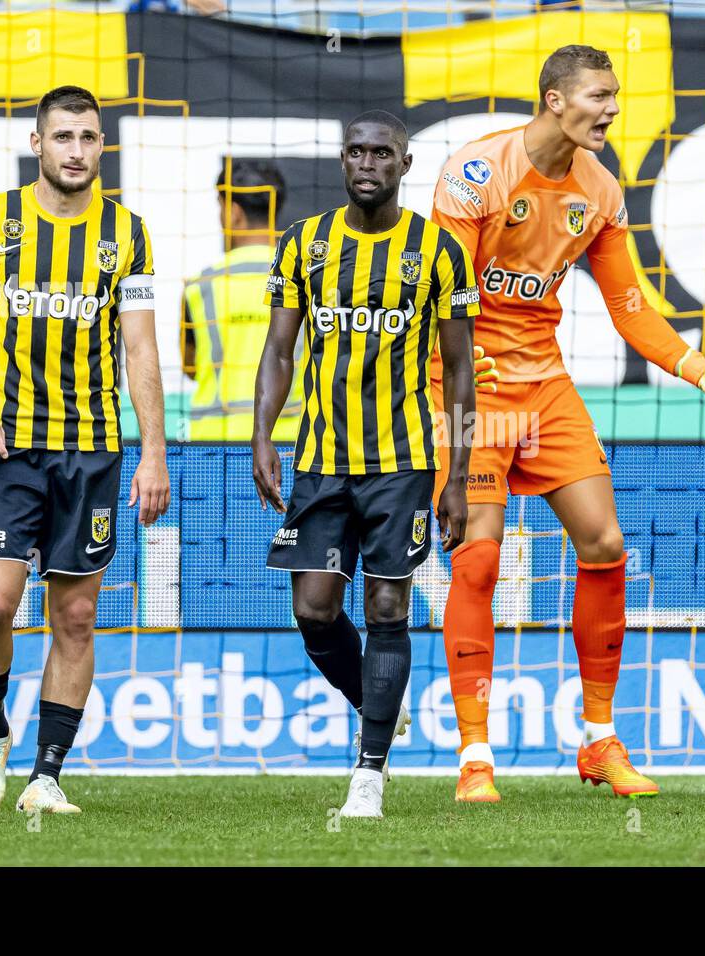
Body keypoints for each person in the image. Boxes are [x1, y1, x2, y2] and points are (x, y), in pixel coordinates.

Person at [430, 45, 705, 802]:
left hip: (544, 385)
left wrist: (699, 368)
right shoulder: (476, 173)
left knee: (606, 543)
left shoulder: (602, 189)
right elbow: (442, 295)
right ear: (554, 99)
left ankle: (597, 740)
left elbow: (630, 306)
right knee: (478, 558)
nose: (612, 109)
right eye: (599, 96)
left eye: (616, 96)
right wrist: (453, 379)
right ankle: (475, 756)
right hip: (471, 386)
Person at [0, 85, 170, 815]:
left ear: (103, 146)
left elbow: (141, 351)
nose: (76, 150)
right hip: (7, 451)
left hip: (92, 453)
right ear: (37, 144)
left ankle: (46, 776)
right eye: (63, 137)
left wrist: (154, 454)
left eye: (88, 138)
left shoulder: (127, 232)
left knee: (74, 619)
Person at [251, 110, 478, 819]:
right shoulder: (304, 245)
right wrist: (262, 433)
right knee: (314, 611)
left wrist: (459, 475)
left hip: (402, 462)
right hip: (320, 460)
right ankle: (378, 704)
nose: (368, 162)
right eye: (357, 151)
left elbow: (461, 367)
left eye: (383, 152)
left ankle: (369, 771)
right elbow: (279, 350)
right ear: (342, 160)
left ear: (405, 166)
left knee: (387, 606)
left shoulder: (440, 253)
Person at [182, 158, 304, 441]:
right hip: (288, 441)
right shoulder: (303, 279)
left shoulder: (200, 286)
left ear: (233, 211)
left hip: (212, 443)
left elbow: (191, 367)